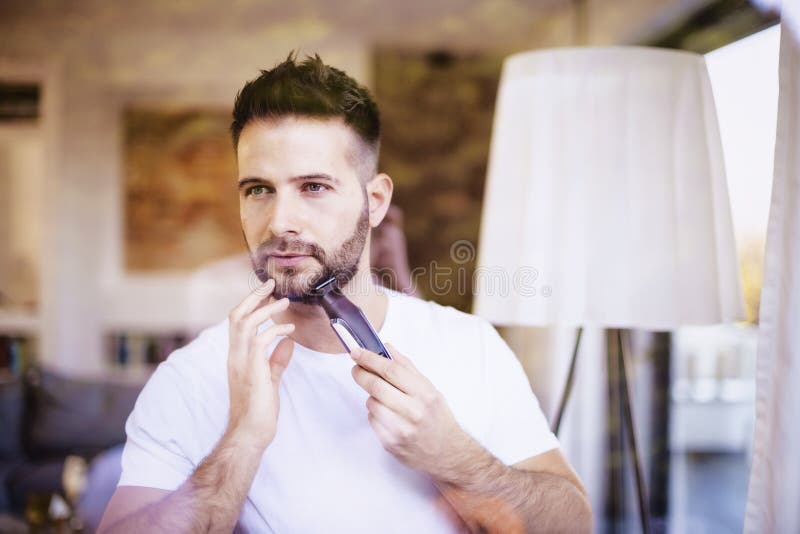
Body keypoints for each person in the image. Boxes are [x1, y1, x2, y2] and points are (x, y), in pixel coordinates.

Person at [98, 54, 592, 533]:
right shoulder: (190, 379)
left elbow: (575, 523)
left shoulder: (470, 346)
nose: (280, 222)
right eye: (258, 189)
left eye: (313, 187)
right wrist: (242, 440)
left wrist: (455, 459)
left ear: (375, 201)